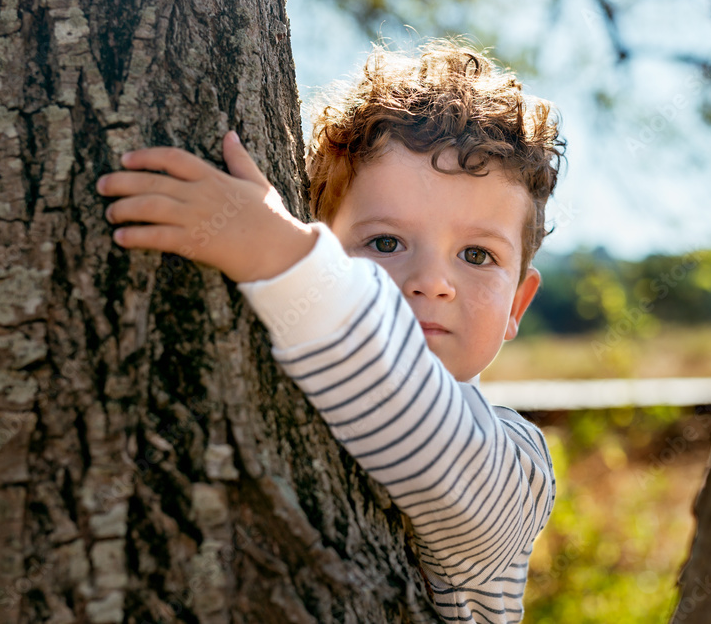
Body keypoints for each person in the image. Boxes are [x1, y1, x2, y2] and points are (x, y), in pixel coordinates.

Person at [95, 38, 563, 624]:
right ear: (325, 241)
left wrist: (275, 253)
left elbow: (424, 430)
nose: (432, 282)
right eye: (386, 242)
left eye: (476, 254)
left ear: (519, 301)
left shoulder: (519, 468)